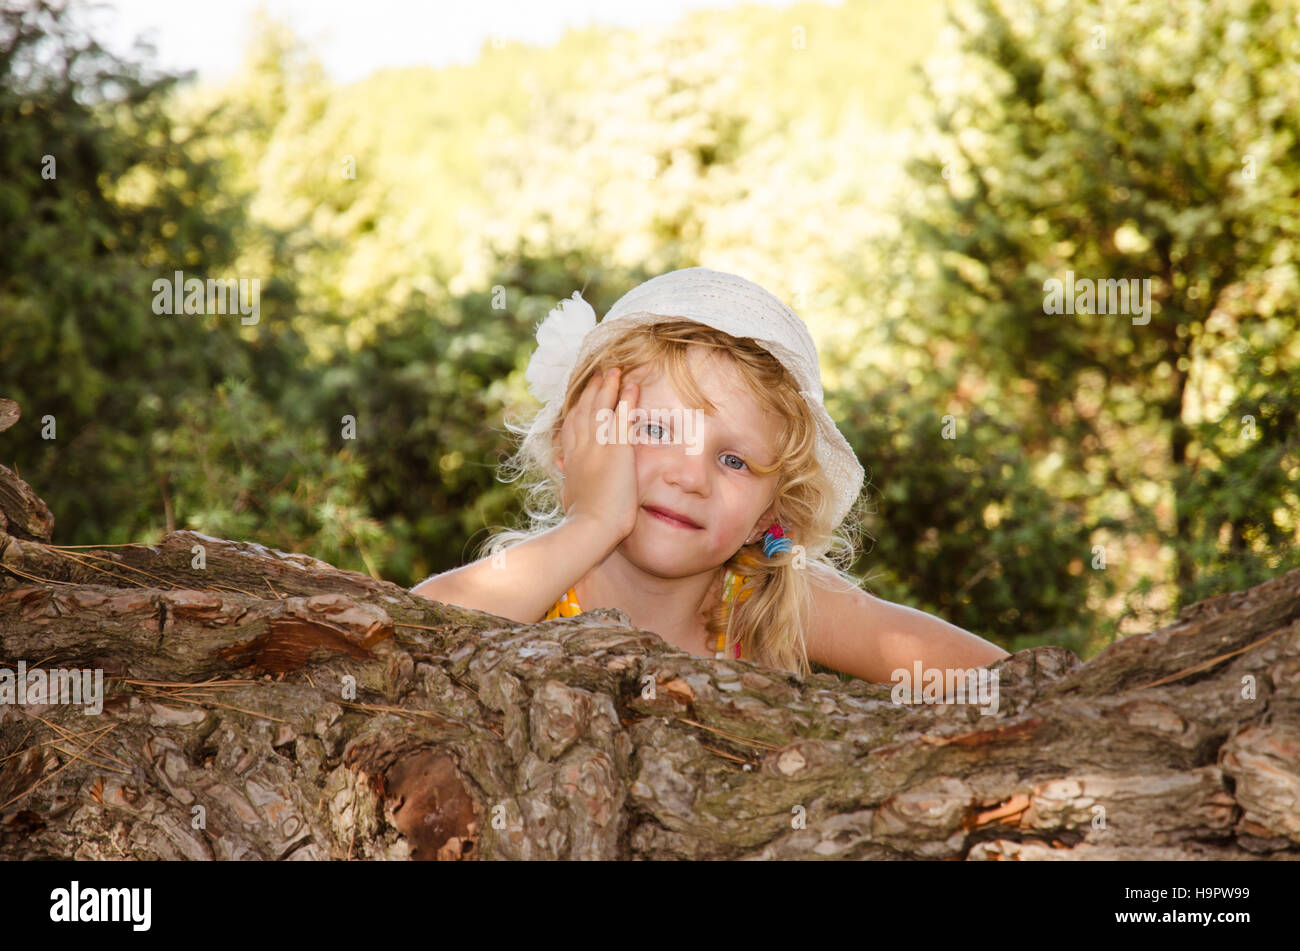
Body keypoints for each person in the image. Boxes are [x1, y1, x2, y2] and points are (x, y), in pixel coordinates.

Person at [411, 267, 1008, 681]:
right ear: (579, 443)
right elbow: (411, 632)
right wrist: (594, 521)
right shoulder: (529, 590)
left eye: (734, 461)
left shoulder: (769, 598)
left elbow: (996, 681)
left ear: (769, 516)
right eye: (656, 431)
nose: (690, 477)